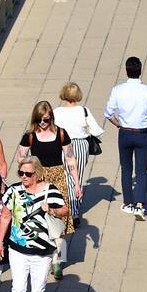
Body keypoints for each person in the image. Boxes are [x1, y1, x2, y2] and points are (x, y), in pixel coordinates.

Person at [0, 158, 68, 292]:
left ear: (37, 173)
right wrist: (0, 242)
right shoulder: (13, 191)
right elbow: (5, 217)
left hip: (43, 251)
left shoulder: (50, 190)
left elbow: (64, 210)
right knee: (18, 289)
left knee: (38, 290)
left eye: (28, 174)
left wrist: (50, 210)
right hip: (17, 249)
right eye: (21, 173)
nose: (24, 177)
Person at [17, 100, 80, 282]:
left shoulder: (61, 133)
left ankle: (59, 261)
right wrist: (27, 174)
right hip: (38, 179)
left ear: (51, 117)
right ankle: (42, 254)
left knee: (61, 219)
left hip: (58, 178)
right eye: (39, 120)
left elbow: (70, 159)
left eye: (46, 119)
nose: (43, 123)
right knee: (39, 218)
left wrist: (76, 183)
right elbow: (21, 157)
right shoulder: (30, 136)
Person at [105, 56, 147, 219]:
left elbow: (108, 113)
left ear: (126, 71)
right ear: (140, 71)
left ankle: (128, 203)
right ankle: (140, 205)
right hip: (142, 134)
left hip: (125, 133)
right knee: (141, 171)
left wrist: (119, 124)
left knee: (126, 169)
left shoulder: (117, 90)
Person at [52, 84, 105, 226]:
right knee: (77, 177)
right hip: (80, 145)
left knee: (66, 176)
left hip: (62, 145)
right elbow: (97, 131)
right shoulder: (84, 111)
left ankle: (66, 207)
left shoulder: (57, 112)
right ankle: (74, 211)